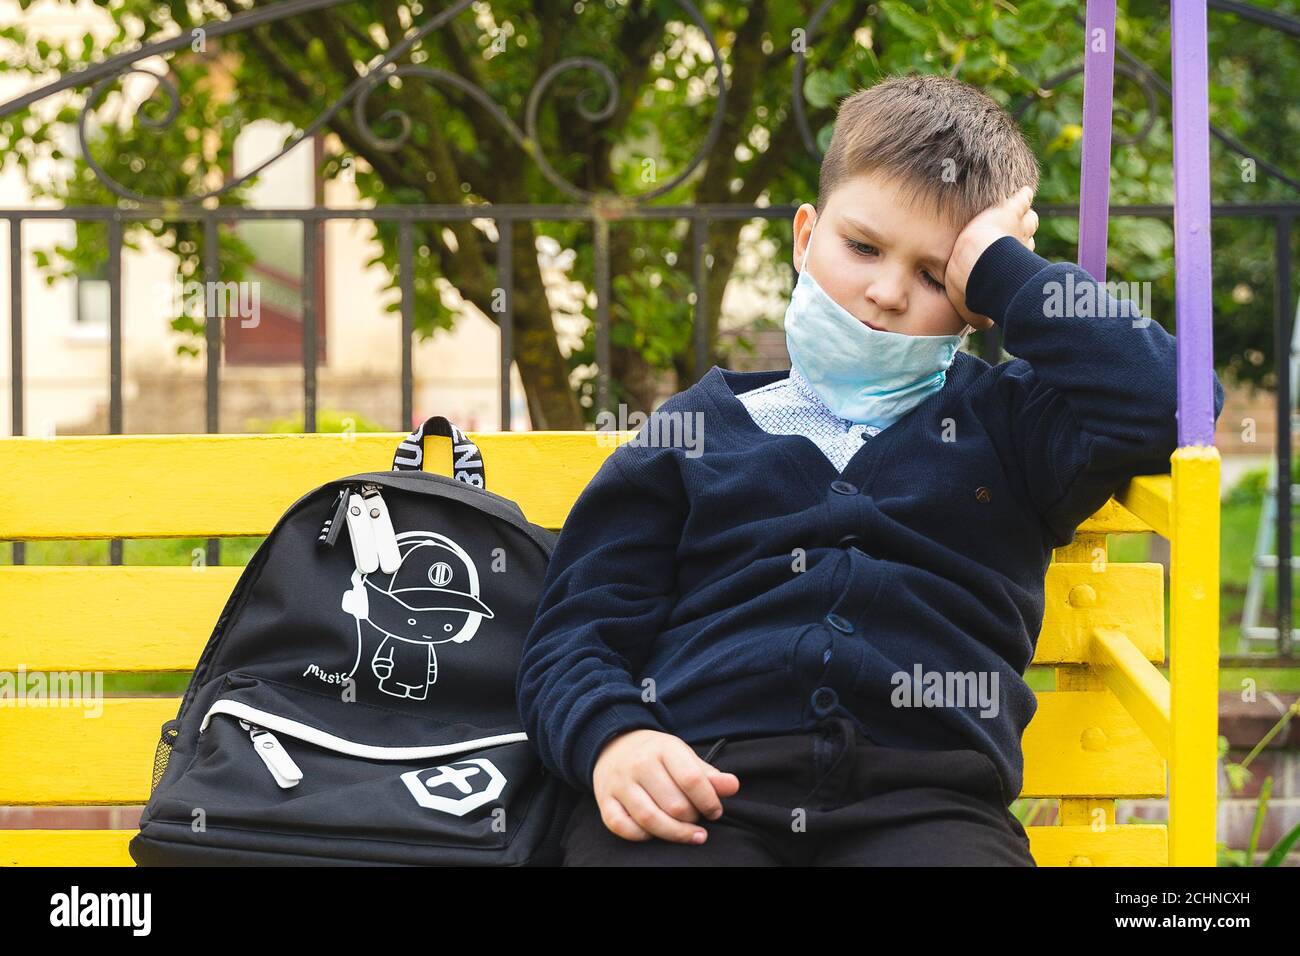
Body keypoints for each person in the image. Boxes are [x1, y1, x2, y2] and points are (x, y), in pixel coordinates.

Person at [517, 73, 1226, 866]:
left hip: (930, 807)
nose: (885, 293)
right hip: (699, 786)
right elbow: (573, 637)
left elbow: (1175, 402)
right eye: (861, 247)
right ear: (802, 236)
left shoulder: (1012, 429)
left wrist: (1004, 270)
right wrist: (614, 739)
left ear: (973, 302)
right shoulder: (692, 432)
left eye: (934, 275)